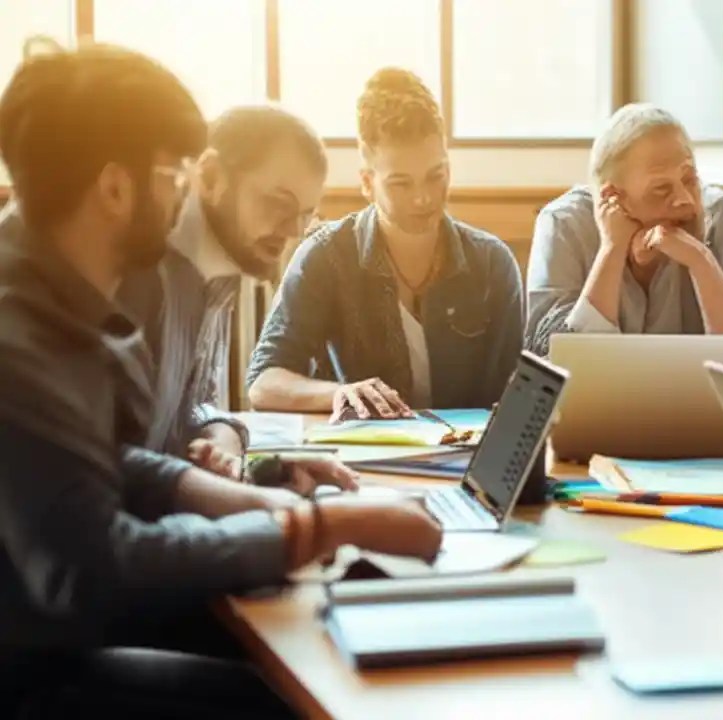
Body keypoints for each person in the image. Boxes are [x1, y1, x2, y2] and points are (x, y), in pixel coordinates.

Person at [0, 42, 442, 718]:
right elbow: (94, 568)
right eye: (174, 174)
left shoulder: (47, 289)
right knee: (307, 691)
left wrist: (274, 506)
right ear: (115, 189)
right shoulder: (19, 332)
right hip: (34, 660)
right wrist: (310, 530)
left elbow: (101, 464)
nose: (183, 200)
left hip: (58, 621)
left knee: (327, 628)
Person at [0, 101, 341, 490]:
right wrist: (283, 522)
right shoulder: (134, 268)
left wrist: (231, 444)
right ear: (210, 177)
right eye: (278, 204)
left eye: (305, 214)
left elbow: (184, 410)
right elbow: (99, 464)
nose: (293, 231)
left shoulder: (221, 268)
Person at [247, 67, 524, 420]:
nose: (423, 198)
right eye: (400, 184)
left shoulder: (492, 264)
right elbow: (264, 381)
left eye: (435, 176)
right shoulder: (327, 256)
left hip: (467, 459)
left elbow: (514, 391)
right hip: (358, 461)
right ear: (367, 182)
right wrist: (340, 393)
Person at [524, 103, 723, 373]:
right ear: (613, 197)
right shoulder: (565, 224)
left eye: (689, 179)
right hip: (596, 415)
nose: (685, 199)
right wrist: (612, 249)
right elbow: (547, 362)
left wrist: (701, 262)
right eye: (661, 189)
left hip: (707, 413)